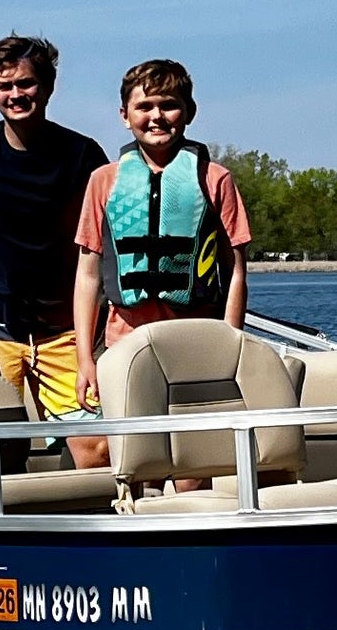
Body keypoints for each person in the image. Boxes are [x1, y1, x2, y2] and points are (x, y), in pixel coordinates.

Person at [73, 60, 255, 490]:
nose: (157, 116)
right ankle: (122, 523)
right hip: (123, 341)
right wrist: (85, 359)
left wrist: (230, 345)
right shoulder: (105, 180)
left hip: (193, 341)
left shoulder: (215, 179)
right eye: (144, 106)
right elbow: (87, 275)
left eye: (169, 106)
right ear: (125, 115)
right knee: (94, 445)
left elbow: (236, 274)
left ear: (188, 111)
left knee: (188, 463)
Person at [0, 36, 111, 455]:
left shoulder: (83, 155)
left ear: (47, 87)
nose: (16, 95)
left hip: (66, 331)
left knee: (96, 446)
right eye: (4, 87)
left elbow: (107, 247)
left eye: (26, 84)